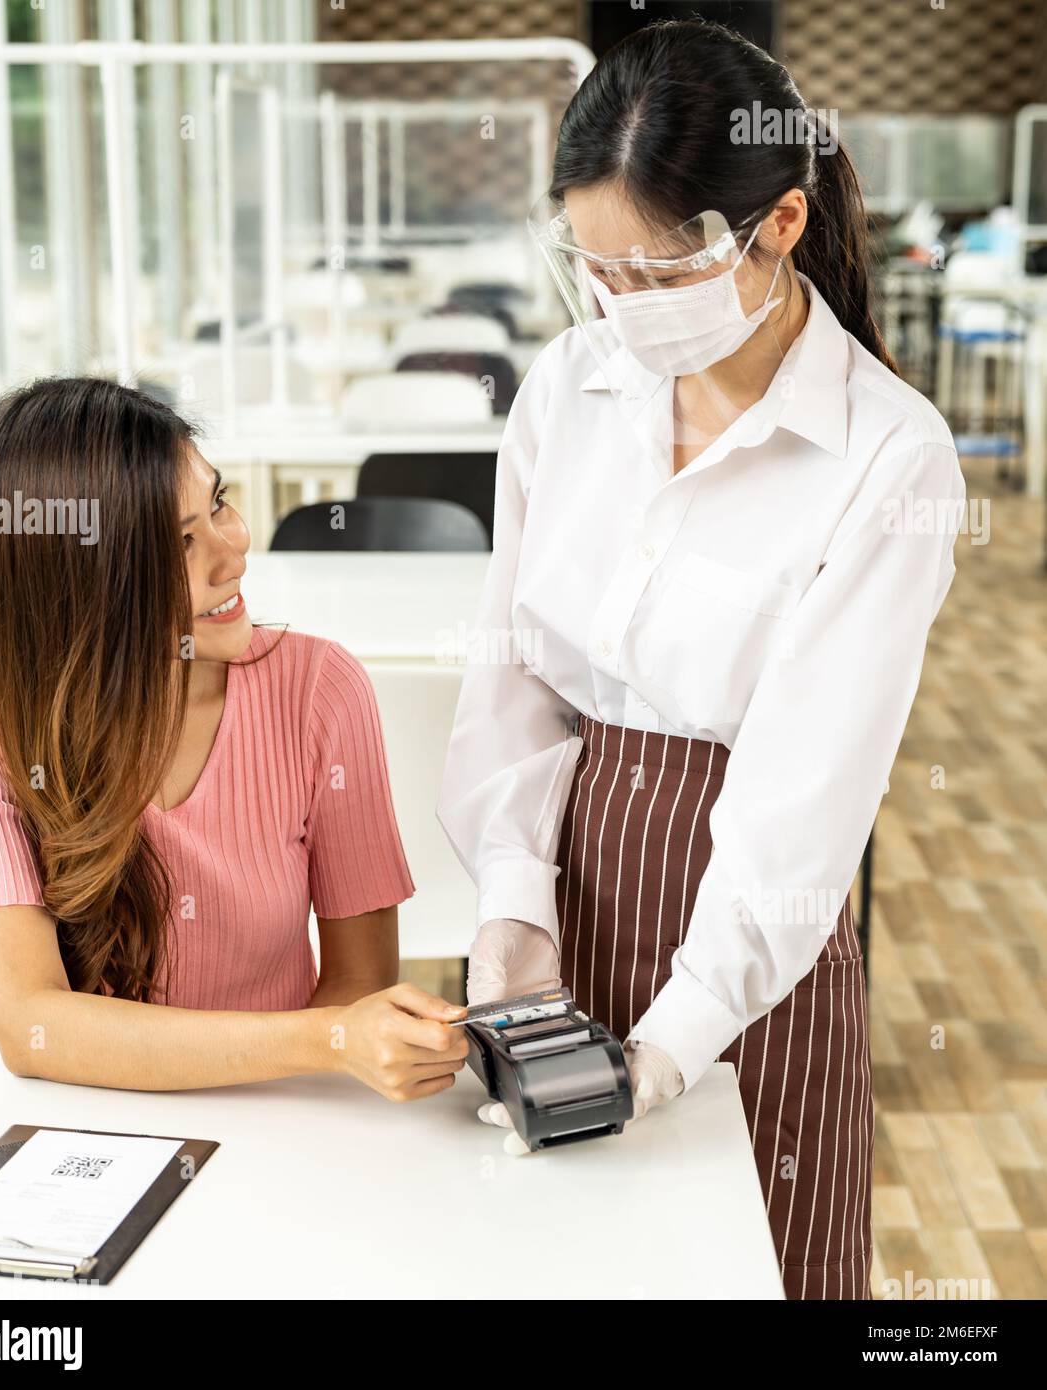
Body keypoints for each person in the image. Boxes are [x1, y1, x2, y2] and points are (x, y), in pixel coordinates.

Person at [437, 19, 966, 1299]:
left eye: (659, 276)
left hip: (753, 931)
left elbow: (802, 802)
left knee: (751, 1266)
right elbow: (514, 671)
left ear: (779, 224)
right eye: (596, 270)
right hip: (567, 881)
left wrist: (666, 1051)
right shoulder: (569, 387)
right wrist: (513, 899)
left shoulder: (888, 460)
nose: (623, 311)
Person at [0, 376, 468, 1099]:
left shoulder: (320, 689)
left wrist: (331, 1048)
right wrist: (322, 1041)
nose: (234, 551)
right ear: (82, 586)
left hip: (281, 1119)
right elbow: (30, 1025)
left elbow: (357, 983)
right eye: (182, 543)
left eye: (216, 504)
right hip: (88, 1127)